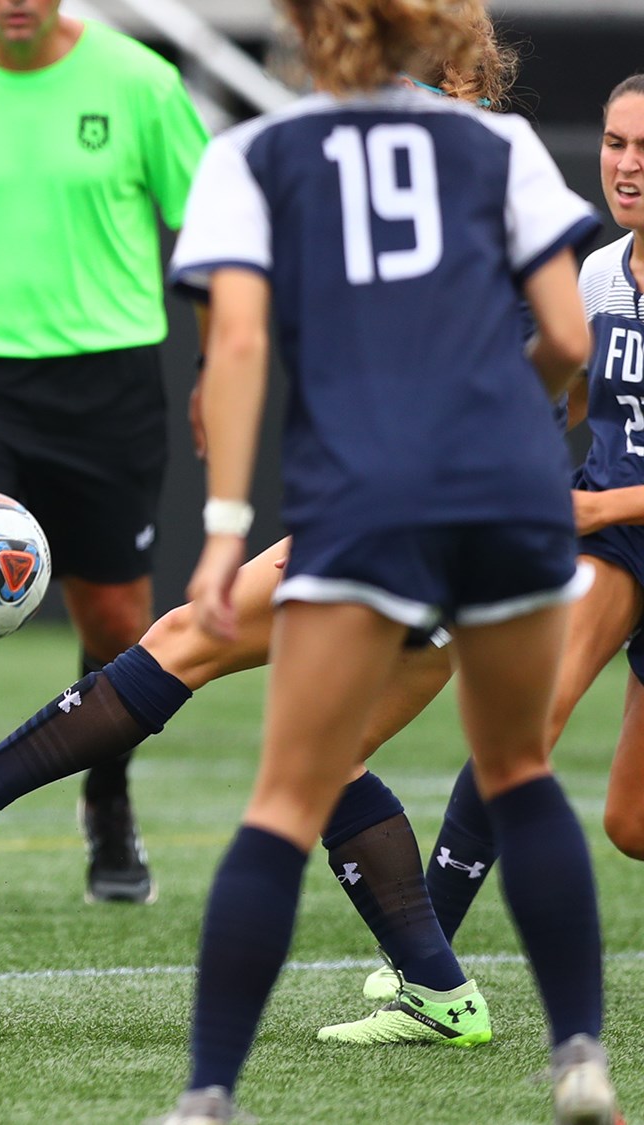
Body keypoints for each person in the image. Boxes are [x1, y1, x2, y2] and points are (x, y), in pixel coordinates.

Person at [0, 15, 533, 1049]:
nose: (334, 55)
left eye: (358, 35)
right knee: (321, 750)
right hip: (442, 511)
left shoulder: (432, 165)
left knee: (186, 643)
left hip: (420, 511)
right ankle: (441, 993)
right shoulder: (467, 175)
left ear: (434, 65)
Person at [159, 0, 611, 1116]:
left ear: (309, 34)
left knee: (283, 796)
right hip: (503, 486)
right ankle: (578, 1061)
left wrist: (222, 530)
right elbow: (565, 337)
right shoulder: (496, 143)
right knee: (517, 771)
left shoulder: (250, 154)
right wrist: (521, 424)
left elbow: (242, 347)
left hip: (361, 493)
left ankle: (208, 1093)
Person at [0, 0, 210, 912]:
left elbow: (211, 239)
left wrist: (214, 368)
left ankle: (107, 795)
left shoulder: (142, 83)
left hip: (108, 384)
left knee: (116, 619)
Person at [340, 70, 644, 1006]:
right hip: (614, 547)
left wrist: (603, 505)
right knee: (520, 720)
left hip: (609, 521)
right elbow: (583, 405)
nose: (627, 167)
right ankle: (421, 965)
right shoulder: (600, 272)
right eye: (615, 144)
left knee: (632, 823)